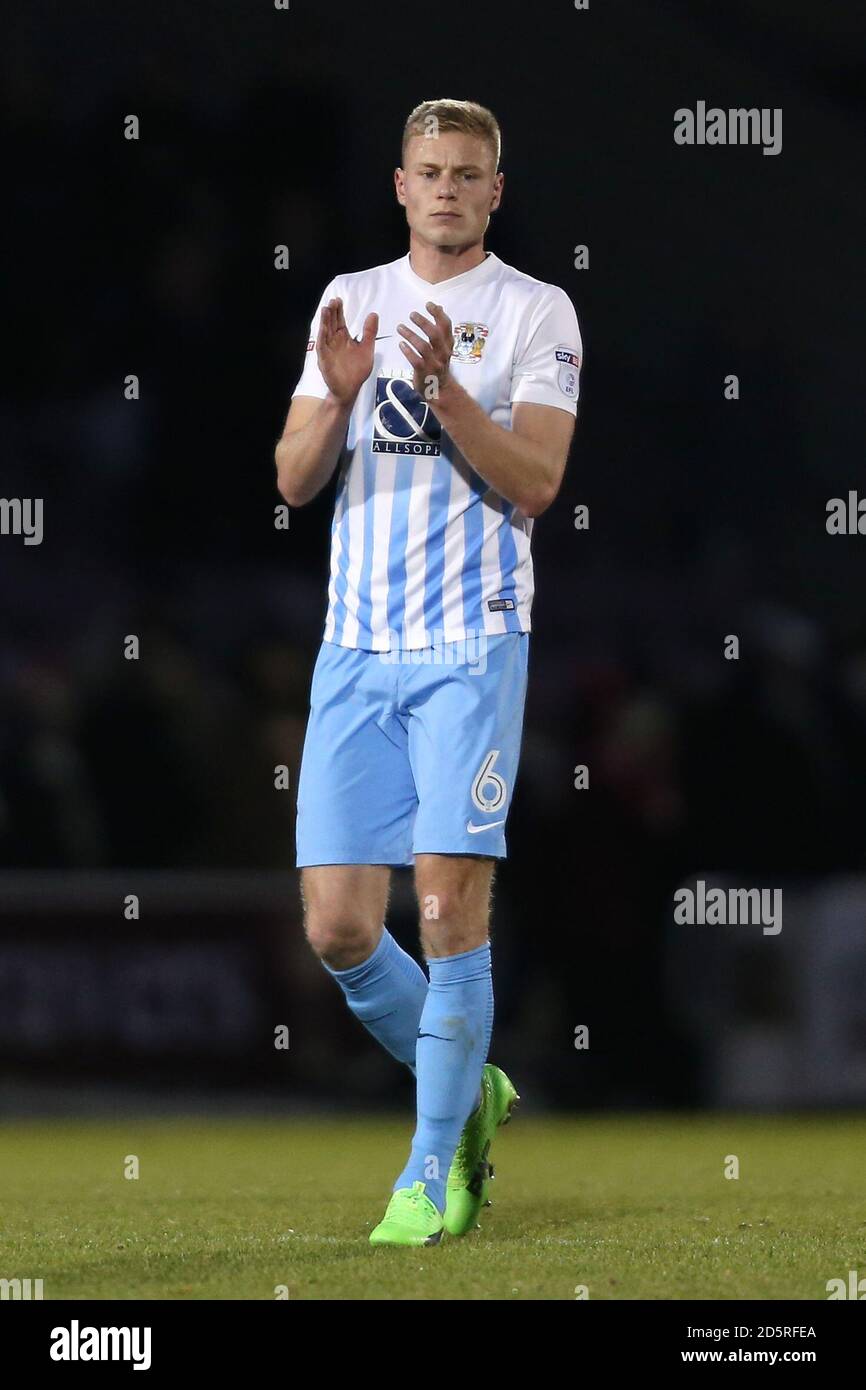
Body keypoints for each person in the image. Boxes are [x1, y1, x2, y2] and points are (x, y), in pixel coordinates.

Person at [275, 98, 582, 1246]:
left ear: (494, 190)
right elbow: (295, 479)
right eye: (427, 170)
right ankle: (469, 1087)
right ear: (399, 187)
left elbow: (539, 479)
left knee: (448, 907)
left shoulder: (534, 311)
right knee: (339, 928)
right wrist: (343, 392)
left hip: (471, 643)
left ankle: (425, 1169)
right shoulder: (346, 300)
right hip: (354, 650)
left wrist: (449, 401)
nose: (446, 187)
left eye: (467, 172)